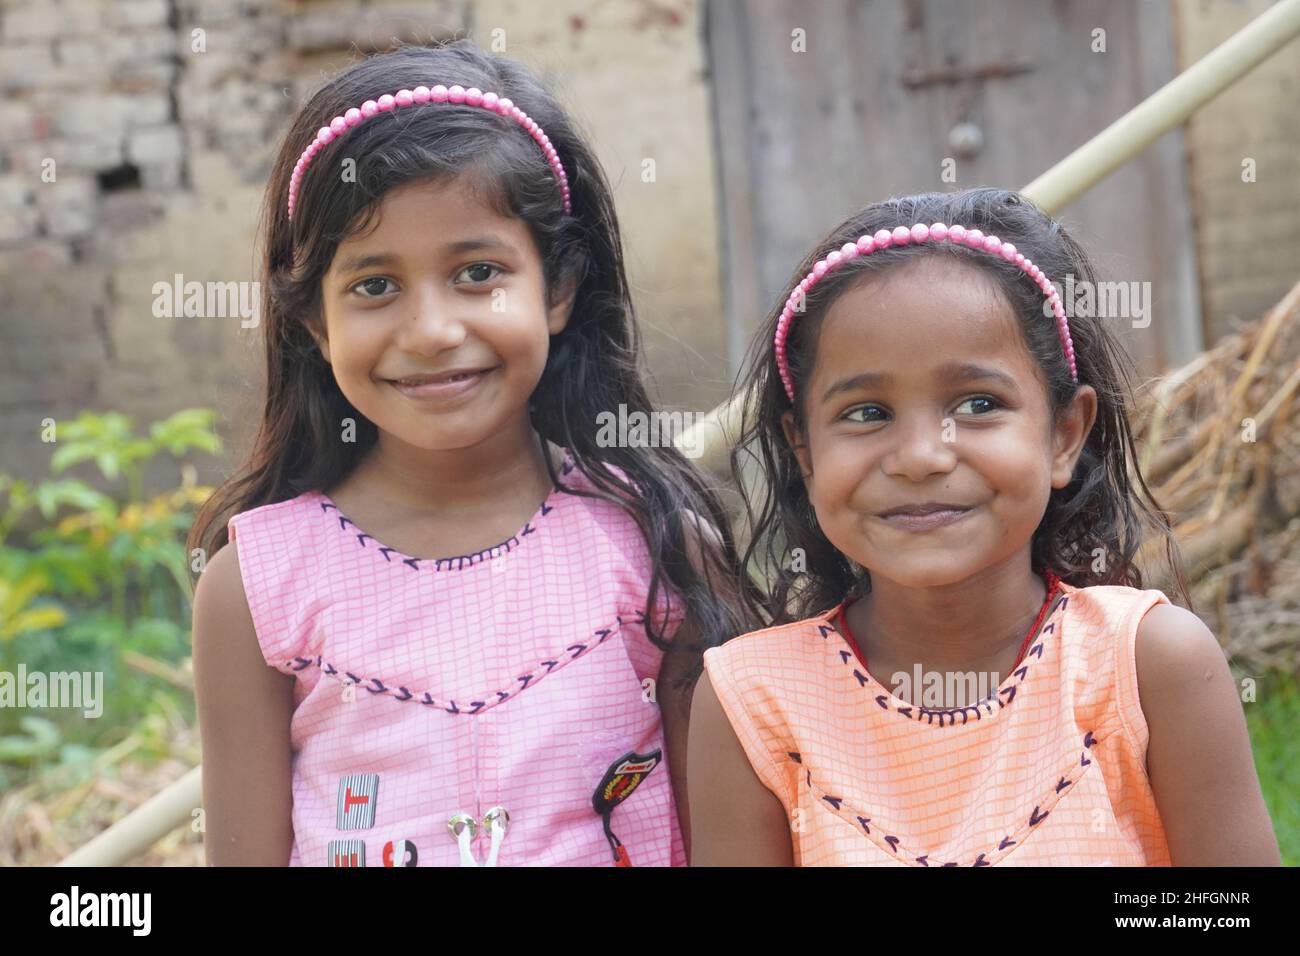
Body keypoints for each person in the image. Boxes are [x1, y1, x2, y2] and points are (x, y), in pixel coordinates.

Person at [190, 40, 755, 867]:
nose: (432, 332)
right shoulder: (255, 590)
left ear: (556, 289)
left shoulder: (652, 543)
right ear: (315, 321)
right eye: (375, 286)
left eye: (478, 271)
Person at [688, 188, 1281, 866]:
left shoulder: (1149, 667)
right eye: (866, 413)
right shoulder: (754, 703)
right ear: (805, 450)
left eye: (977, 404)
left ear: (1063, 435)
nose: (920, 457)